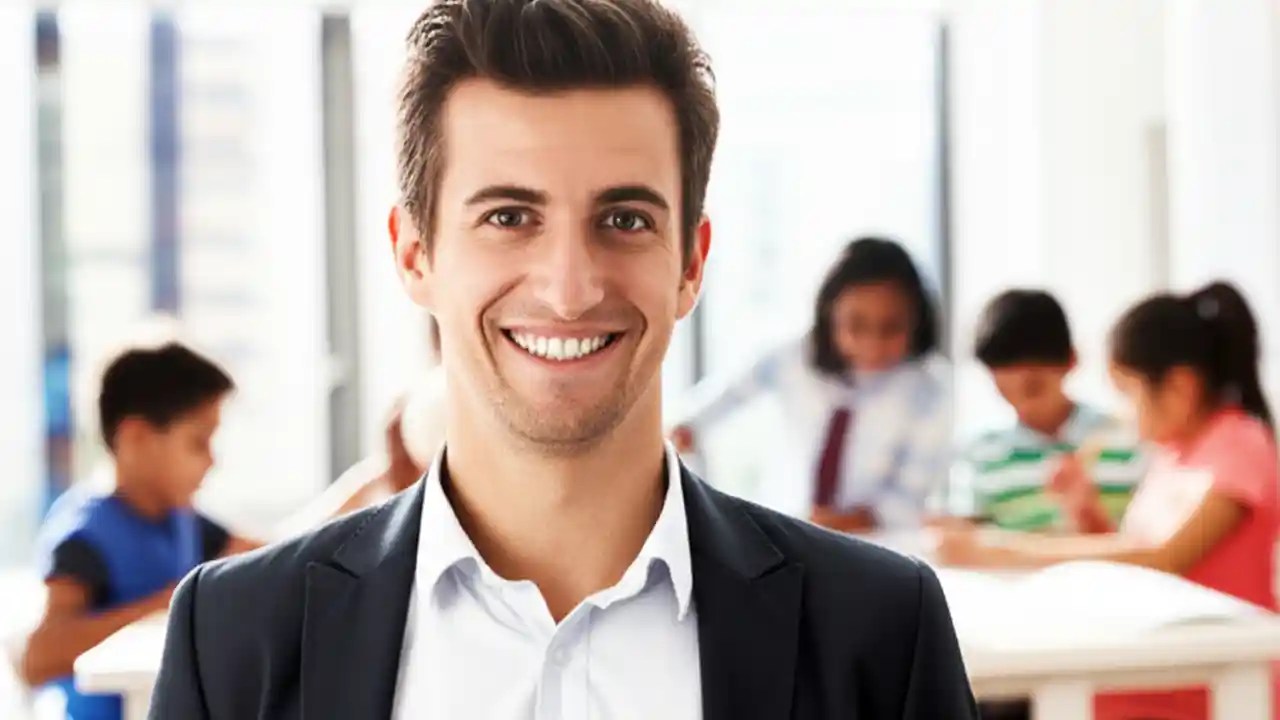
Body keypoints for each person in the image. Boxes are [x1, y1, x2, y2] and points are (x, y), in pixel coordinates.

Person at [148, 2, 978, 718]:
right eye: (510, 216)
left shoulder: (880, 630)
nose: (571, 289)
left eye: (623, 220)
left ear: (691, 262)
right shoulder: (232, 640)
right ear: (414, 254)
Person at [936, 281, 1278, 720]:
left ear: (1180, 387)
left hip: (1213, 680)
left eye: (1129, 394)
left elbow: (1164, 557)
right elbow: (1134, 556)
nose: (1123, 414)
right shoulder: (1173, 455)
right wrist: (1087, 511)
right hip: (1153, 668)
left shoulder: (1239, 444)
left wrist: (999, 550)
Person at [18, 343, 262, 720]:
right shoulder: (86, 533)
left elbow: (275, 556)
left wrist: (366, 488)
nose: (212, 460)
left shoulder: (183, 520)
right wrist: (168, 605)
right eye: (198, 442)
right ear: (136, 438)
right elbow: (39, 657)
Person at [671, 237, 950, 533]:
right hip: (786, 527)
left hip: (878, 543)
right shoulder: (792, 357)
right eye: (856, 325)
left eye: (891, 327)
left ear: (918, 320)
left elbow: (911, 491)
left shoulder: (930, 386)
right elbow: (725, 397)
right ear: (830, 314)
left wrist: (846, 523)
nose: (873, 344)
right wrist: (686, 430)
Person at [959, 289, 1144, 532]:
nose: (1023, 375)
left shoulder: (1130, 440)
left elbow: (1142, 544)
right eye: (1006, 361)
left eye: (1039, 357)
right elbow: (965, 541)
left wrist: (1086, 510)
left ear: (1072, 359)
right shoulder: (979, 455)